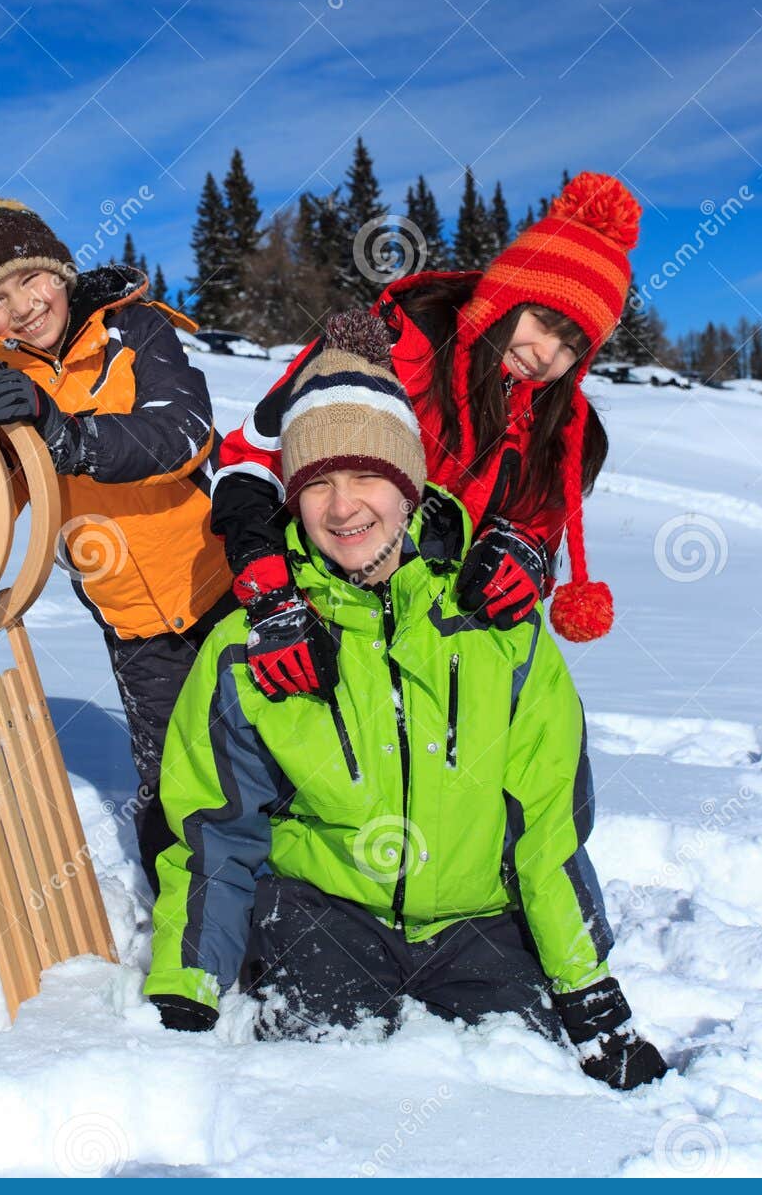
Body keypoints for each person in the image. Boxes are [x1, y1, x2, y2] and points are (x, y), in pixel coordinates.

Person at [145, 312, 666, 1090]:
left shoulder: (501, 630)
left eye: (366, 478)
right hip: (324, 917)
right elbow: (215, 830)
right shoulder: (247, 647)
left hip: (477, 924)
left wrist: (586, 991)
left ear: (410, 484)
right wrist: (190, 985)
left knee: (515, 1099)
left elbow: (547, 827)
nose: (343, 507)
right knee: (318, 1100)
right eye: (315, 482)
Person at [0, 193, 233, 887]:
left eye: (31, 277)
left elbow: (182, 435)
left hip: (225, 590)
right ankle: (199, 946)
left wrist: (66, 435)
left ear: (61, 273)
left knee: (267, 763)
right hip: (134, 628)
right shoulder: (1, 384)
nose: (22, 306)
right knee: (177, 795)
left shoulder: (134, 330)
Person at [211, 172, 641, 707]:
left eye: (573, 345)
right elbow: (249, 464)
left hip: (439, 661)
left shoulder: (560, 431)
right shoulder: (389, 349)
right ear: (509, 295)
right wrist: (271, 595)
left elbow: (538, 526)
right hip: (321, 620)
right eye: (543, 322)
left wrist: (528, 554)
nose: (546, 355)